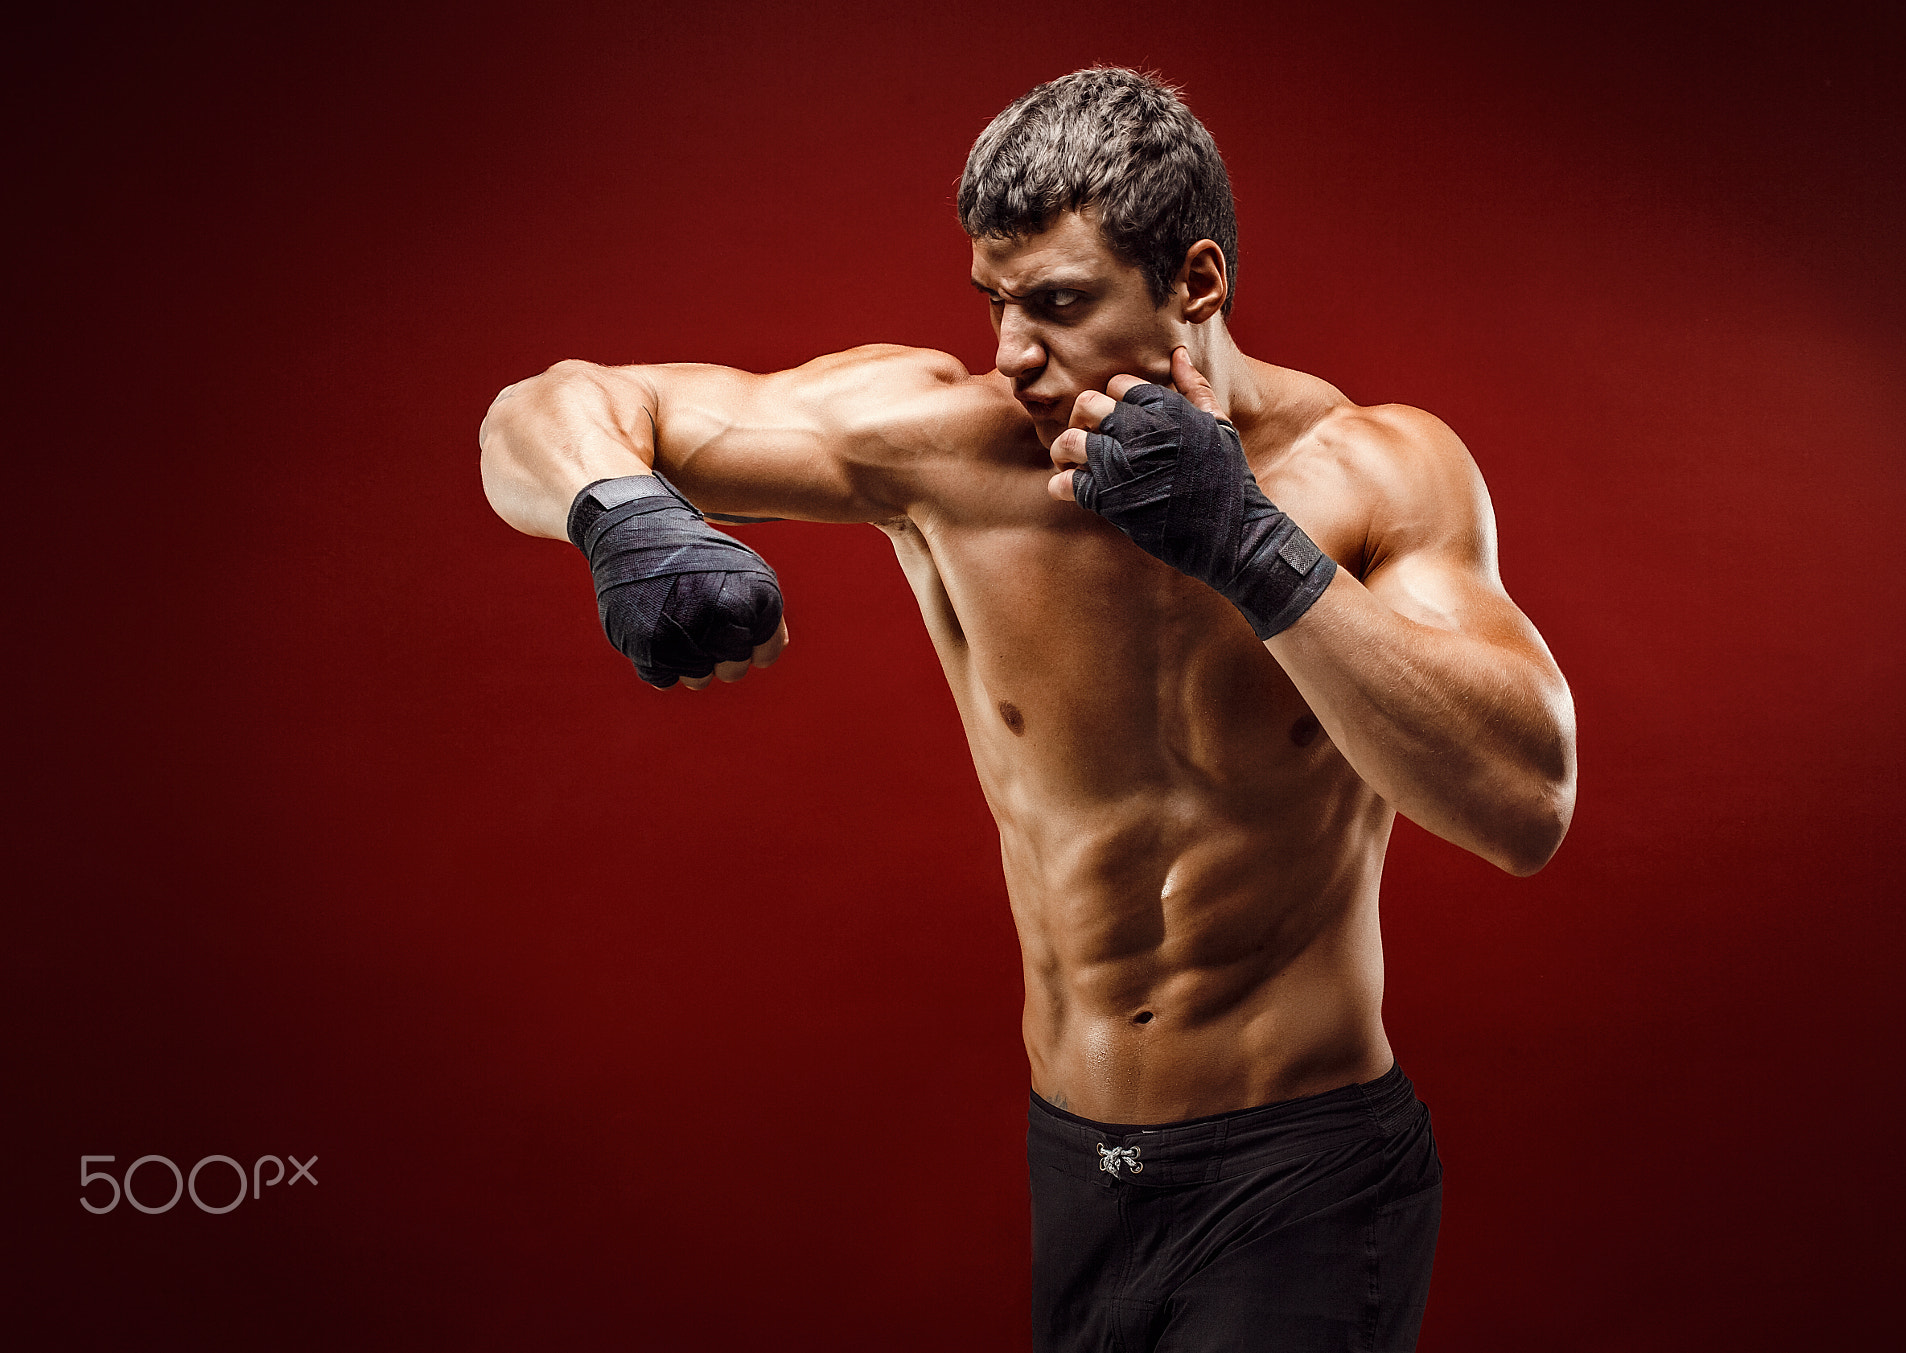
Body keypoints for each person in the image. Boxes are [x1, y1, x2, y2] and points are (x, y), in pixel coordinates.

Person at [480, 67, 1575, 1353]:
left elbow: (1524, 803)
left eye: (1057, 306)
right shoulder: (950, 447)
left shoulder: (1374, 472)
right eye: (993, 302)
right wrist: (626, 516)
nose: (1012, 354)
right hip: (1078, 1170)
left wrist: (1251, 547)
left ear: (1196, 285)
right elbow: (540, 411)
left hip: (1301, 1172)